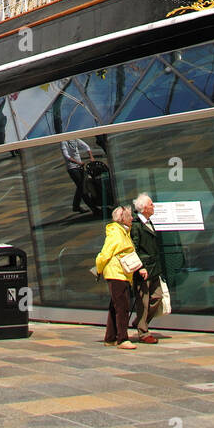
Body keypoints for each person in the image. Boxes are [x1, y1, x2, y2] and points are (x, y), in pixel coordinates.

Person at [95, 205, 148, 350]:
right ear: (122, 218)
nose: (132, 218)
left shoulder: (124, 232)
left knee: (115, 306)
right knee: (122, 307)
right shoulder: (116, 233)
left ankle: (111, 338)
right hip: (116, 274)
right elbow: (105, 254)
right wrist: (98, 269)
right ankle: (122, 339)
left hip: (122, 274)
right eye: (129, 216)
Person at [129, 194, 165, 343]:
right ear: (143, 208)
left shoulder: (148, 222)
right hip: (144, 270)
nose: (153, 206)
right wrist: (140, 267)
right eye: (151, 204)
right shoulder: (137, 225)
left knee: (157, 296)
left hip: (154, 268)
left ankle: (140, 322)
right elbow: (134, 248)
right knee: (143, 302)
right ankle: (143, 333)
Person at [61, 138, 95, 213]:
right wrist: (78, 162)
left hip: (80, 167)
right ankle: (93, 208)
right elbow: (66, 156)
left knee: (81, 186)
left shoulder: (75, 139)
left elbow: (86, 147)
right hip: (72, 168)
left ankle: (76, 206)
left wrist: (91, 157)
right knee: (82, 188)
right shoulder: (63, 142)